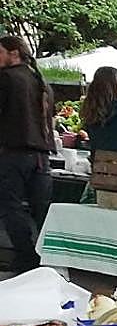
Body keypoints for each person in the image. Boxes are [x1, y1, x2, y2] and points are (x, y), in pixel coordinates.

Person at [0, 35, 55, 273]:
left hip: (13, 152)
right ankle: (47, 256)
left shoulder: (7, 79)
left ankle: (26, 255)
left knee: (11, 206)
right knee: (41, 209)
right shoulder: (40, 82)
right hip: (41, 157)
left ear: (13, 54)